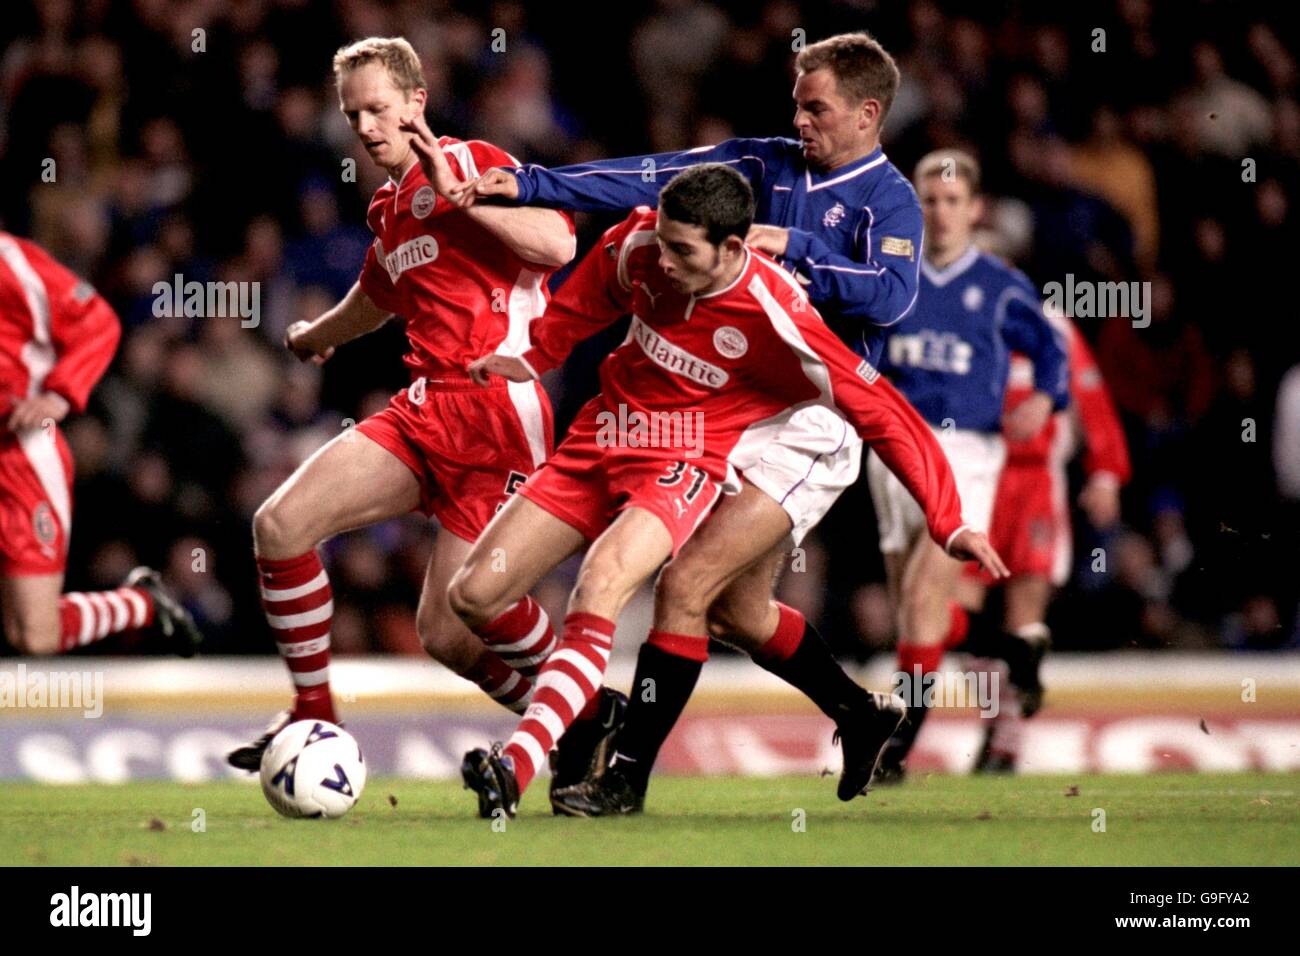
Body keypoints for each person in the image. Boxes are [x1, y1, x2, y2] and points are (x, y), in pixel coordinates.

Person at [453, 31, 934, 814]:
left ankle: (625, 780)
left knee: (687, 586)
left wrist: (797, 244)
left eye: (817, 108)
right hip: (732, 404)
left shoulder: (891, 201)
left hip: (814, 419)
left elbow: (889, 298)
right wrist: (532, 184)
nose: (801, 120)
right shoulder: (761, 162)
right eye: (796, 105)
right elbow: (650, 177)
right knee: (737, 610)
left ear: (866, 113)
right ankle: (859, 711)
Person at [224, 37, 624, 792]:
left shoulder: (471, 160)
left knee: (451, 628)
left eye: (379, 109)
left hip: (499, 412)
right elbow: (378, 294)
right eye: (354, 116)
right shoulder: (387, 207)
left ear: (417, 102)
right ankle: (317, 711)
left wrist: (465, 195)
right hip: (424, 408)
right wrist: (318, 336)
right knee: (279, 526)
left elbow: (557, 241)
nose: (367, 128)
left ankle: (585, 709)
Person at [871, 149, 1070, 782]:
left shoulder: (1001, 285)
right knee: (913, 607)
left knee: (928, 591)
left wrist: (1044, 398)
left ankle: (897, 746)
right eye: (930, 200)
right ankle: (1007, 647)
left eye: (953, 201)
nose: (941, 211)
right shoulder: (893, 277)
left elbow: (1051, 352)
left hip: (967, 452)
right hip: (894, 447)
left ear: (975, 209)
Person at [0, 231, 199, 656]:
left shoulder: (13, 263)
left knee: (35, 635)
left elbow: (96, 320)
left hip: (22, 461)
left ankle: (139, 604)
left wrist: (59, 393)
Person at [956, 312, 1131, 772]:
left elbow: (1092, 399)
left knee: (1025, 613)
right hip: (974, 479)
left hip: (1036, 486)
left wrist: (1106, 473)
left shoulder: (1052, 326)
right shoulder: (955, 311)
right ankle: (1000, 719)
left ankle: (1007, 742)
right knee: (955, 614)